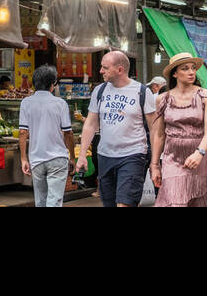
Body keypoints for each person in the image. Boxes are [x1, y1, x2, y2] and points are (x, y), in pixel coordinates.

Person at [74, 50, 158, 208]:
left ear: (120, 70)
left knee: (124, 203)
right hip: (105, 156)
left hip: (133, 155)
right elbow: (91, 124)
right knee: (109, 203)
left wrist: (155, 163)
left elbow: (154, 129)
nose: (100, 71)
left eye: (105, 67)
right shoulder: (99, 91)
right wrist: (83, 154)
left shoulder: (142, 92)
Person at [149, 52, 207, 207]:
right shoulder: (163, 98)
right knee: (174, 201)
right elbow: (159, 135)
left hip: (200, 156)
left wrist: (199, 153)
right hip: (172, 157)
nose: (191, 72)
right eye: (185, 68)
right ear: (175, 73)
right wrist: (154, 165)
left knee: (200, 202)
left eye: (193, 68)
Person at [18, 65, 73, 207]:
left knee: (41, 201)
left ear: (34, 83)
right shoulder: (61, 103)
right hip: (58, 158)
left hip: (36, 159)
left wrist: (24, 158)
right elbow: (68, 133)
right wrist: (72, 156)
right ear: (52, 84)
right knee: (54, 201)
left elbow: (23, 132)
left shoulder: (26, 102)